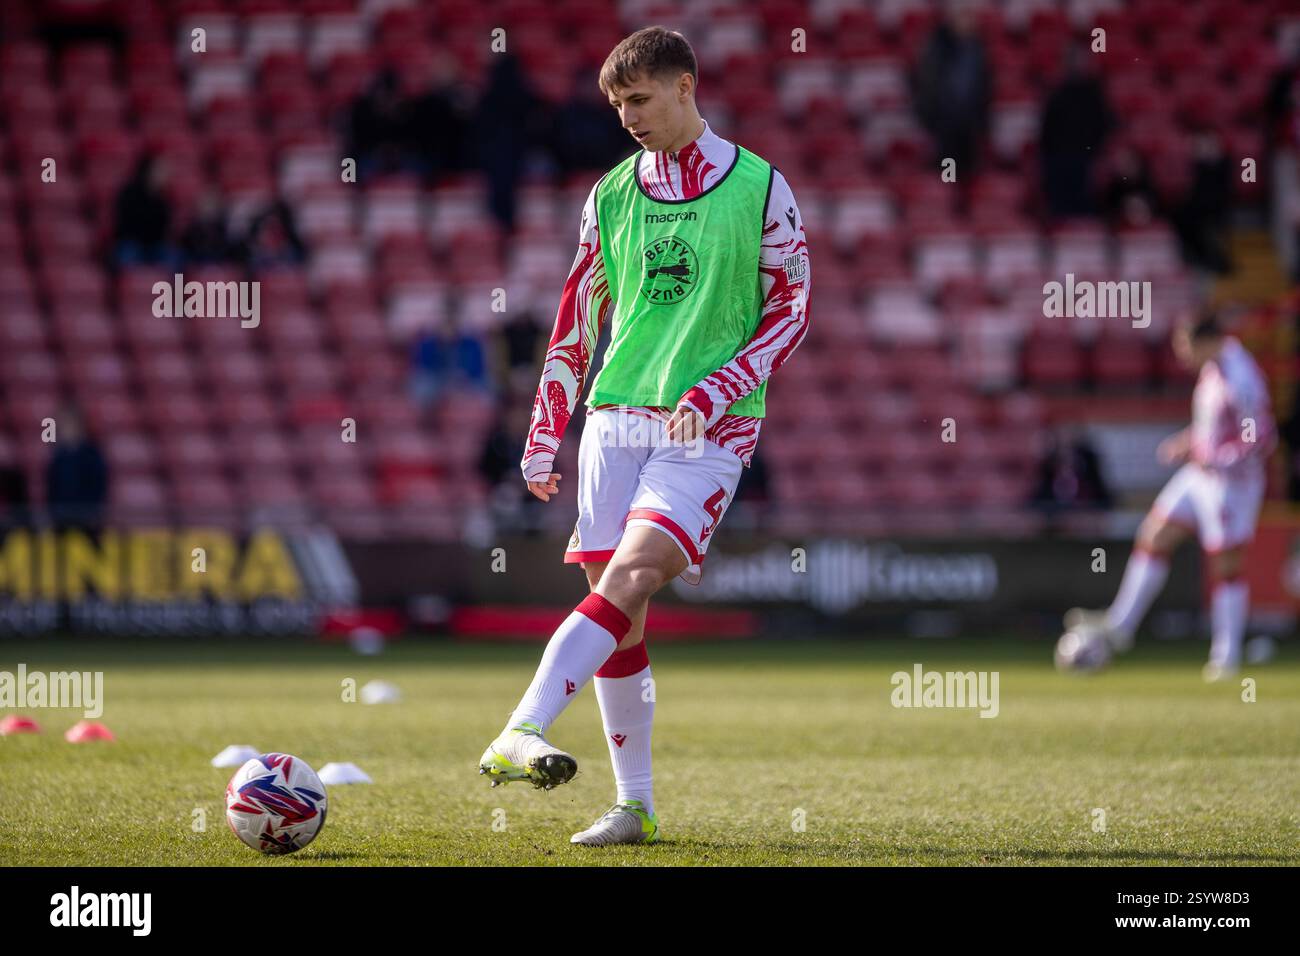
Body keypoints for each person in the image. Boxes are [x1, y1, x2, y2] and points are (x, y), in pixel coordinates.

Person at [476, 26, 811, 846]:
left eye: (639, 99)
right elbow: (576, 316)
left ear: (686, 87)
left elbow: (792, 309)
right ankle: (635, 806)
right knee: (620, 618)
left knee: (633, 574)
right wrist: (546, 427)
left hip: (708, 427)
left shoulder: (763, 187)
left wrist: (721, 384)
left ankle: (520, 726)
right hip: (612, 420)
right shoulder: (611, 194)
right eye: (617, 104)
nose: (627, 117)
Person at [1065, 313, 1277, 682]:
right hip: (1200, 476)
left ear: (1206, 341)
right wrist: (1190, 440)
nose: (1181, 355)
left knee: (1225, 566)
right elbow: (1217, 427)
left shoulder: (1242, 378)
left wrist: (1210, 455)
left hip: (1231, 485)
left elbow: (1258, 438)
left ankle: (1226, 657)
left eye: (1185, 346)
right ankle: (1122, 626)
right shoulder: (1215, 369)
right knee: (1155, 534)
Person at [45, 405, 109, 535]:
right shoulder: (58, 456)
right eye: (62, 425)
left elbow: (98, 485)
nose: (64, 429)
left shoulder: (92, 454)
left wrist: (91, 512)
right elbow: (51, 487)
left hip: (86, 519)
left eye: (68, 424)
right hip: (62, 520)